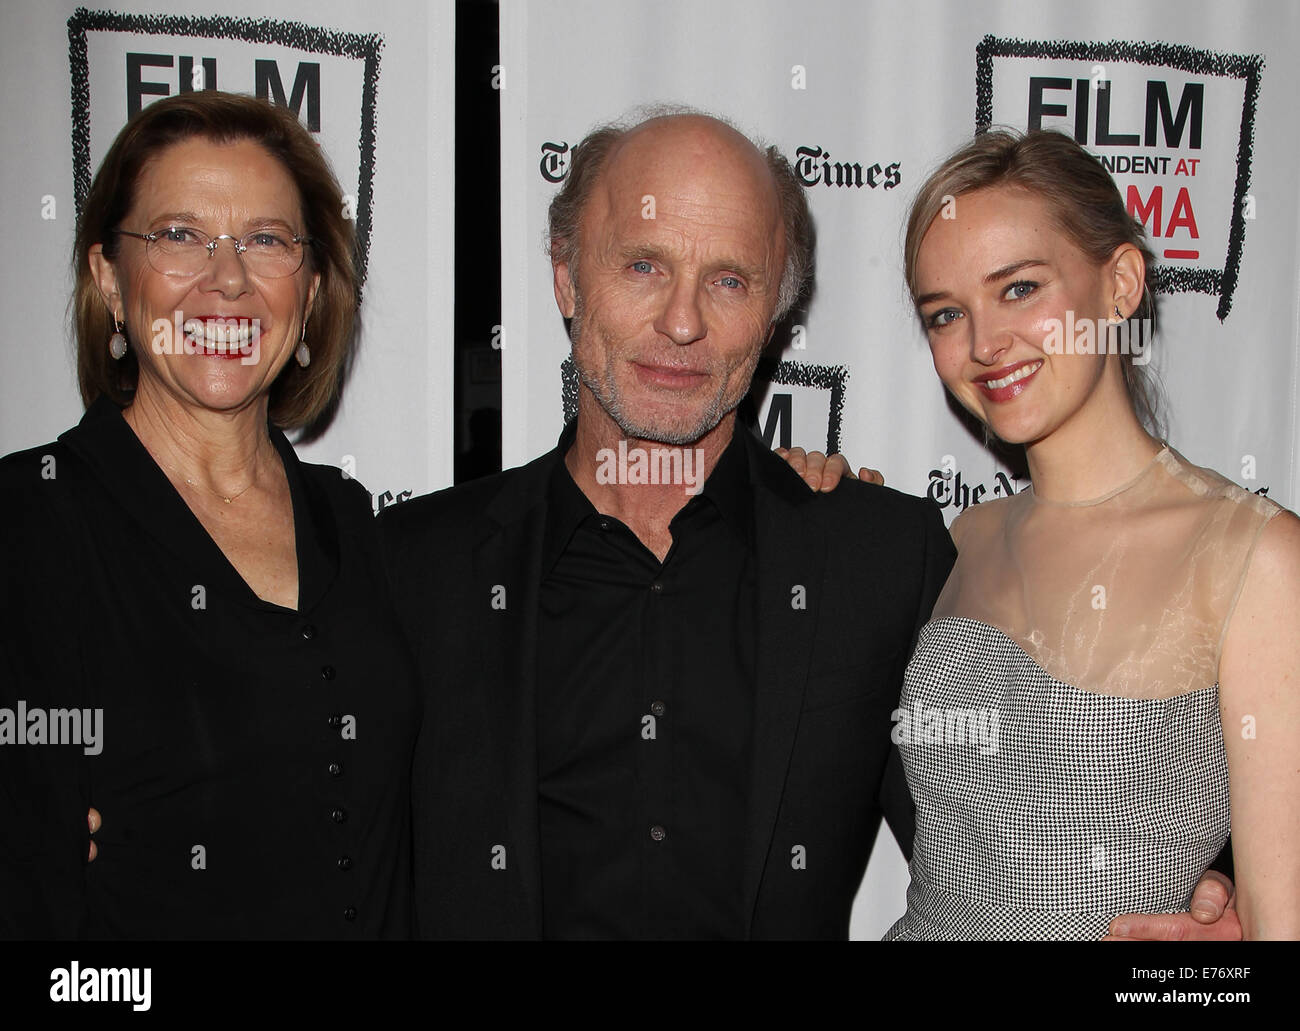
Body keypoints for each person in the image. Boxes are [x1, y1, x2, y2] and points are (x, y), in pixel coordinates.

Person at [378, 110, 955, 939]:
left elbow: (999, 863)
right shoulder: (413, 573)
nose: (682, 323)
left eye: (728, 280)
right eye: (644, 265)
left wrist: (1192, 906)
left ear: (774, 314)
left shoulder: (879, 563)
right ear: (567, 277)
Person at [0, 91, 418, 938]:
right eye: (179, 236)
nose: (227, 278)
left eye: (266, 240)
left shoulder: (350, 522)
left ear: (310, 289)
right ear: (110, 282)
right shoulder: (33, 519)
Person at [879, 128, 1300, 940]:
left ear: (1120, 284)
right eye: (945, 314)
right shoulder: (962, 538)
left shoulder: (1254, 558)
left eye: (1019, 288)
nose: (982, 344)